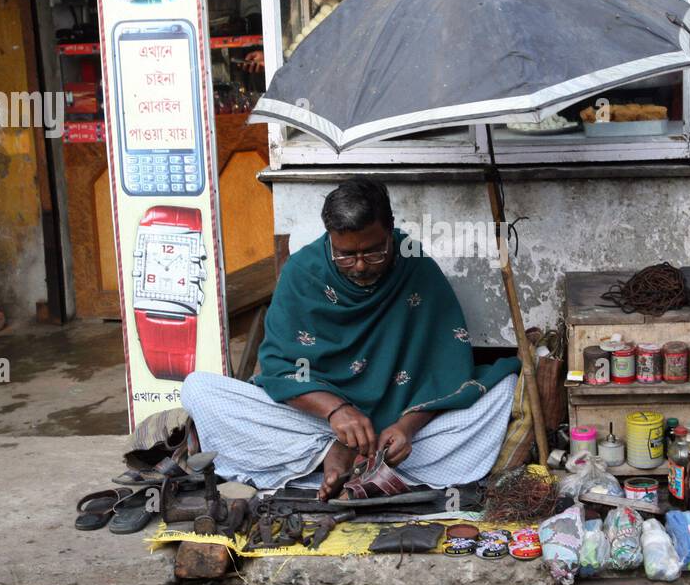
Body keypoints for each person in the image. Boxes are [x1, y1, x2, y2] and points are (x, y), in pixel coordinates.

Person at [182, 179, 519, 498]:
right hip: (318, 423)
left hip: (395, 427)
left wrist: (408, 428)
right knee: (198, 389)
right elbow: (281, 369)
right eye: (345, 255)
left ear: (390, 231)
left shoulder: (414, 264)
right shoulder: (302, 272)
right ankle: (334, 454)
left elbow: (446, 367)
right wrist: (336, 412)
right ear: (330, 237)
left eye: (373, 253)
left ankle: (361, 466)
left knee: (501, 391)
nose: (359, 266)